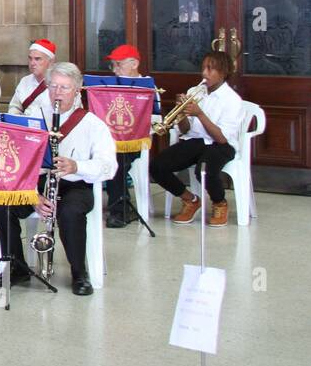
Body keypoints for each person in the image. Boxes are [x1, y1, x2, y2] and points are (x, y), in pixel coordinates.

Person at [0, 62, 116, 296]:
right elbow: (18, 158)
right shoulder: (34, 117)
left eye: (65, 88)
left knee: (70, 212)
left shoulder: (92, 124)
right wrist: (32, 195)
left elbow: (109, 166)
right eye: (53, 86)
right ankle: (17, 266)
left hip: (75, 184)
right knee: (1, 203)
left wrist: (77, 165)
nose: (57, 93)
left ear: (78, 89)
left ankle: (79, 273)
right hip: (34, 183)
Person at [149, 51, 246, 227]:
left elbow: (222, 138)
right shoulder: (195, 91)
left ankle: (220, 203)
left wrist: (199, 114)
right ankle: (190, 200)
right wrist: (181, 113)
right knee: (157, 166)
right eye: (203, 68)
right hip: (196, 140)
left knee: (204, 170)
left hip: (221, 145)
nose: (204, 74)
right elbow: (186, 130)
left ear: (223, 73)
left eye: (210, 69)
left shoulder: (232, 100)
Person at [104, 43, 145, 228]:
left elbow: (153, 117)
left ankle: (119, 211)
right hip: (111, 139)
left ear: (134, 64)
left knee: (117, 159)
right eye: (113, 65)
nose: (115, 70)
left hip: (135, 141)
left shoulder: (147, 87)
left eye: (119, 64)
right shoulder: (109, 86)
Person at [8, 38, 57, 118]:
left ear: (51, 61)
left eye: (37, 59)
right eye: (30, 58)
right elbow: (15, 107)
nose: (32, 63)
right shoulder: (25, 81)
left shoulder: (61, 83)